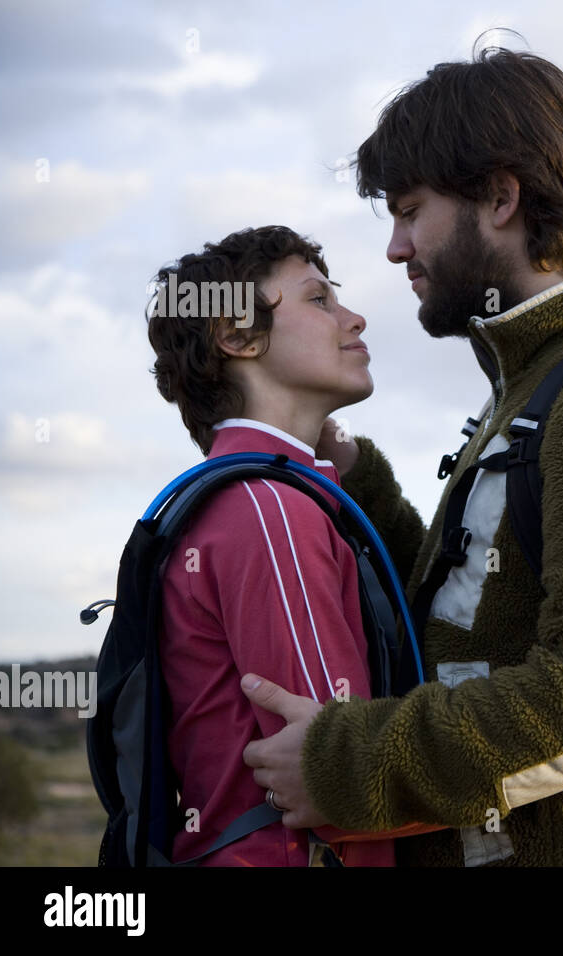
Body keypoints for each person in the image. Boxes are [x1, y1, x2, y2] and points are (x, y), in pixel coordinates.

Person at [241, 41, 563, 866]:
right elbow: (470, 626)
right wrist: (361, 483)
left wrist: (348, 762)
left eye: (410, 210)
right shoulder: (541, 381)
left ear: (501, 198)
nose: (396, 249)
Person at [147, 225, 438, 865]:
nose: (355, 317)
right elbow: (338, 779)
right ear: (236, 335)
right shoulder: (270, 509)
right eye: (318, 300)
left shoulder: (244, 496)